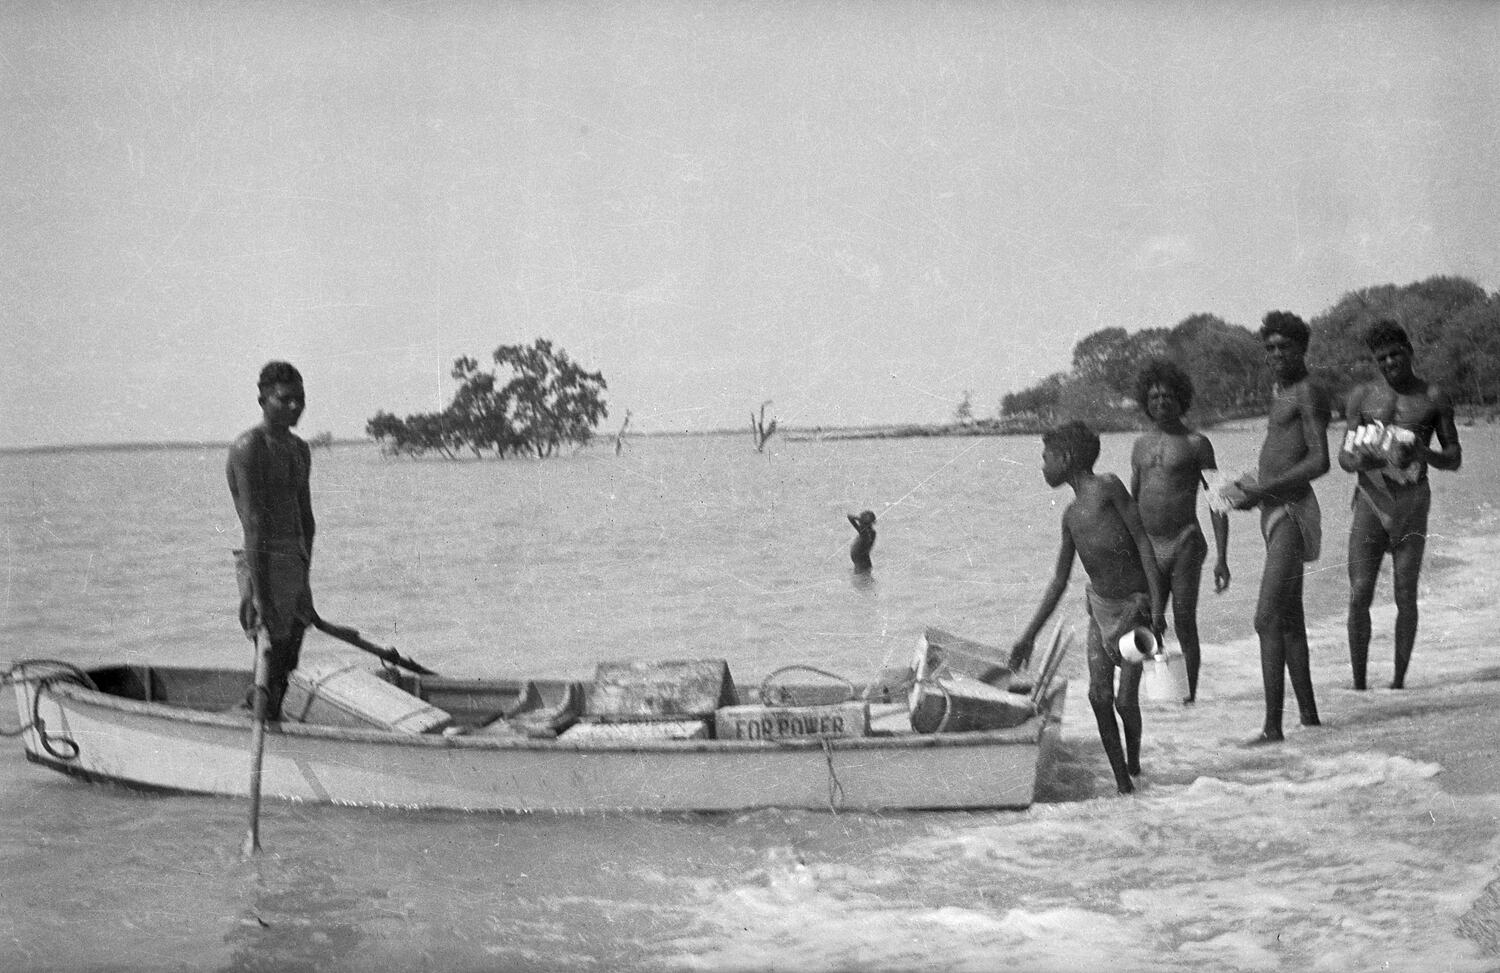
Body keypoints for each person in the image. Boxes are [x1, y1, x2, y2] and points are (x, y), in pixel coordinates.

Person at [1010, 421, 1166, 794]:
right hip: (1100, 610)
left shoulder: (1108, 487)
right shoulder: (1070, 516)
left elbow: (1143, 542)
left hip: (1134, 608)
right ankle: (1123, 784)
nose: (1043, 466)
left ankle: (1133, 761)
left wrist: (1157, 608)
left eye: (1045, 458)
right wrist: (1028, 636)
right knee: (1099, 696)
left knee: (1126, 700)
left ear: (1065, 458)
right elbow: (1059, 581)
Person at [1339, 320, 1462, 690]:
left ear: (1409, 351)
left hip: (1412, 500)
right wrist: (1360, 462)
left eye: (1396, 354)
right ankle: (1359, 687)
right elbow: (1344, 456)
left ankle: (1397, 684)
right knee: (1359, 593)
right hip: (1370, 499)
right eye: (1382, 357)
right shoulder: (1362, 397)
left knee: (1404, 594)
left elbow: (1454, 456)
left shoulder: (1433, 396)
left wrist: (1423, 452)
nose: (1390, 362)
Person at [1228, 311, 1330, 745]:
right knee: (1289, 622)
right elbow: (1282, 455)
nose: (1274, 354)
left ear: (1302, 348)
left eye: (1283, 346)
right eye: (1268, 348)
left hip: (1291, 513)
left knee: (1266, 619)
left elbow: (1319, 460)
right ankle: (1308, 719)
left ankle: (1273, 727)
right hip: (1274, 511)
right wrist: (1248, 489)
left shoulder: (1307, 392)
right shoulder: (1280, 392)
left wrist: (1264, 488)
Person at [1130, 359, 1230, 705]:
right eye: (1154, 397)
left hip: (1185, 540)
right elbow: (1133, 499)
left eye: (1168, 396)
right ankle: (1163, 692)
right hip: (1149, 545)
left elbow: (1217, 499)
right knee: (1151, 620)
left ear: (1181, 399)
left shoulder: (1197, 443)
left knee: (1185, 621)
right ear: (1146, 401)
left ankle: (1191, 698)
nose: (1161, 402)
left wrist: (1223, 557)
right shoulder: (1140, 445)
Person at [227, 361, 316, 719]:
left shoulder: (299, 450)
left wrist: (305, 582)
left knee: (289, 658)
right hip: (262, 562)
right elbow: (254, 526)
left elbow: (306, 520)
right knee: (268, 655)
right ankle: (254, 716)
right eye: (284, 399)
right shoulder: (250, 447)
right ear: (262, 400)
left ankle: (269, 717)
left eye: (300, 399)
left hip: (294, 562)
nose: (295, 407)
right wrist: (260, 598)